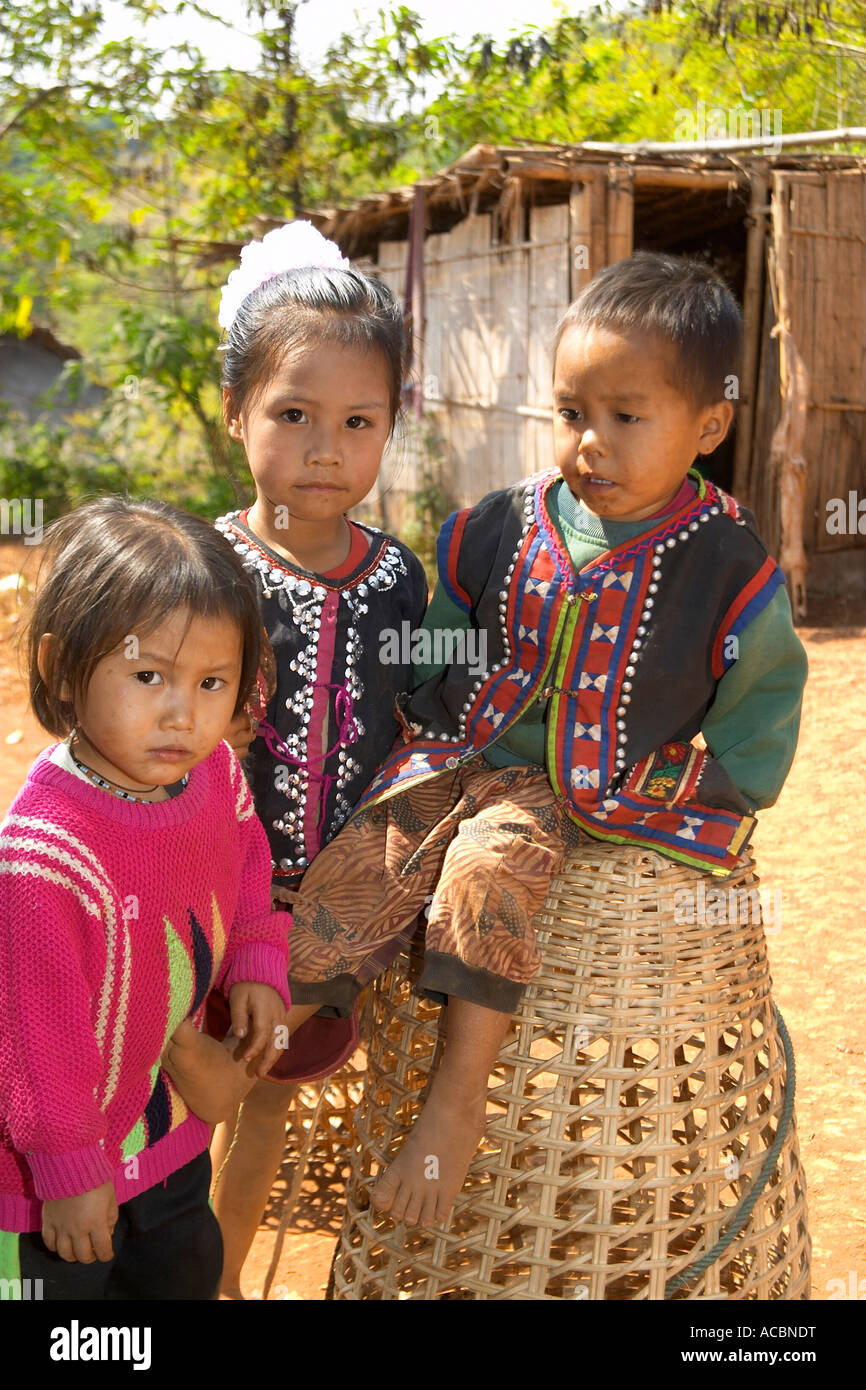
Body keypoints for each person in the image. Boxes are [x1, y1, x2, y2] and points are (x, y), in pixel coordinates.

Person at [262, 250, 809, 1230]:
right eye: (569, 412)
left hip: (564, 791)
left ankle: (456, 1100)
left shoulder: (724, 558)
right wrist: (418, 713)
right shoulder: (495, 526)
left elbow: (762, 695)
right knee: (362, 858)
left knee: (484, 872)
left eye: (624, 416)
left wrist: (700, 788)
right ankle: (273, 1035)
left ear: (709, 425)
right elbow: (446, 628)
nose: (587, 443)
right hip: (456, 755)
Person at [195, 220, 428, 1297]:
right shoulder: (199, 569)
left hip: (346, 915)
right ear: (237, 413)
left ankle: (243, 1278)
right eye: (292, 415)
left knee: (277, 1098)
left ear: (391, 428)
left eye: (356, 420)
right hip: (206, 903)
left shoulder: (401, 581)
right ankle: (194, 1280)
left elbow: (422, 720)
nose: (324, 448)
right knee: (192, 1103)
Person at [0, 498, 290, 1300]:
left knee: (181, 1273)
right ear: (64, 666)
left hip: (167, 1137)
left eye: (210, 682)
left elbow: (246, 871)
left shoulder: (214, 777)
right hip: (58, 1178)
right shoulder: (45, 854)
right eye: (148, 675)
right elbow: (36, 1041)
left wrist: (259, 965)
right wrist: (66, 1170)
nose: (182, 712)